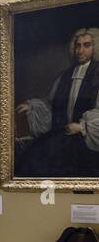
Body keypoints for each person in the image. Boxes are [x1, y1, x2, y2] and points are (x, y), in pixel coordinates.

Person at [16, 27, 99, 177]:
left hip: (86, 140)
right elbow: (51, 105)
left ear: (96, 47)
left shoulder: (97, 75)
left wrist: (82, 127)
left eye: (86, 45)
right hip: (62, 134)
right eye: (77, 45)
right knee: (31, 156)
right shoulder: (65, 75)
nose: (80, 50)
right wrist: (32, 106)